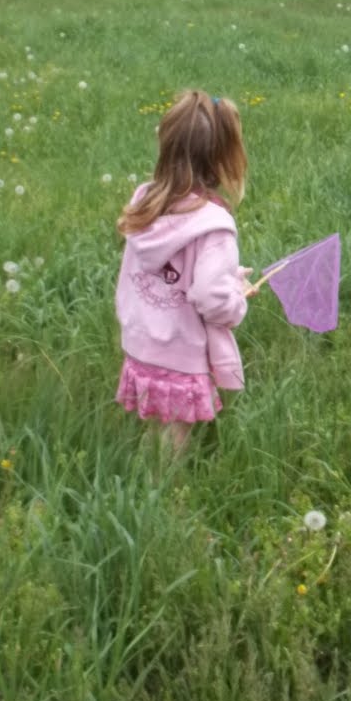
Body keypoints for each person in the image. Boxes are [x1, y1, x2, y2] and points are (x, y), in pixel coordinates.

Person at [115, 90, 254, 455]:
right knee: (175, 436)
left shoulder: (145, 201)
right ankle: (163, 488)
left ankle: (141, 479)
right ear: (225, 158)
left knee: (154, 425)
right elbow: (212, 298)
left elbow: (181, 270)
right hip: (179, 350)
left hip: (141, 341)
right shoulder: (213, 225)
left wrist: (229, 279)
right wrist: (237, 297)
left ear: (166, 144)